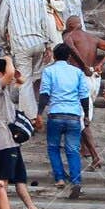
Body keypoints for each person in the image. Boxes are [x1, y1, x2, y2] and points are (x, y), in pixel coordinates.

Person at [0, 56, 46, 209]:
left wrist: (17, 76)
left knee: (20, 179)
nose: (10, 77)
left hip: (12, 141)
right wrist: (7, 58)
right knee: (3, 180)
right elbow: (11, 72)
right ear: (0, 74)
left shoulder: (5, 91)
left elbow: (21, 80)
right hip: (4, 141)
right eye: (7, 74)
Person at [38, 44, 88, 196]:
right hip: (74, 115)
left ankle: (59, 178)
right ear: (69, 57)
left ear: (54, 55)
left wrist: (39, 113)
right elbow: (84, 96)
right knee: (73, 149)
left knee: (53, 147)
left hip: (55, 114)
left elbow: (45, 93)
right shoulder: (77, 72)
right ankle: (76, 181)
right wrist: (85, 115)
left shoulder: (49, 71)